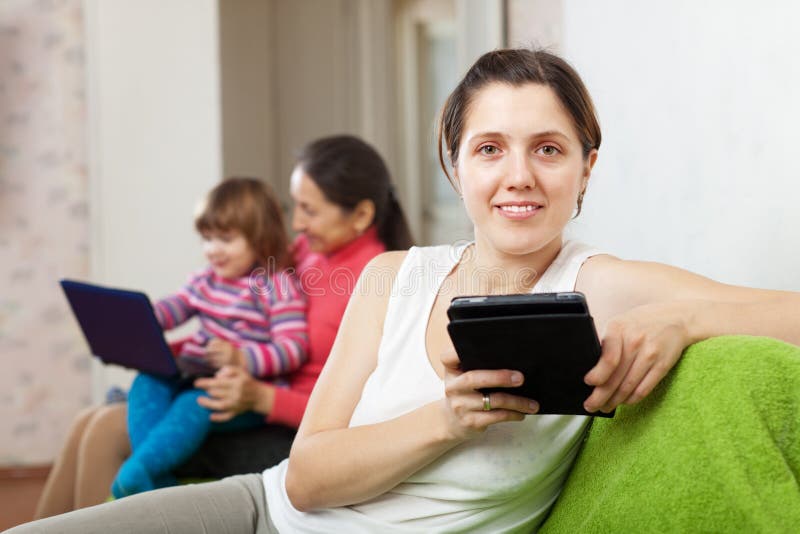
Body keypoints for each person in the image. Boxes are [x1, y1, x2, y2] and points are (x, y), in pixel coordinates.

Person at [17, 48, 800, 533]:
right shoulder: (394, 276)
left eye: (550, 149)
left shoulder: (602, 286)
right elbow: (306, 480)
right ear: (455, 167)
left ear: (586, 168)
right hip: (260, 511)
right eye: (489, 148)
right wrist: (445, 420)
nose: (519, 175)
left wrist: (684, 316)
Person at [32, 135, 413, 517]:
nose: (296, 223)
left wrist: (260, 397)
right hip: (241, 396)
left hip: (291, 434)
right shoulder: (307, 252)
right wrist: (175, 349)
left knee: (107, 432)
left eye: (309, 211)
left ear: (361, 215)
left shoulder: (377, 283)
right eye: (296, 206)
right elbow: (238, 312)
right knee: (90, 421)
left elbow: (359, 412)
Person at [110, 177, 309, 497]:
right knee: (146, 383)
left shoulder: (276, 285)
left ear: (260, 238)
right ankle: (152, 477)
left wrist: (242, 358)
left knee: (194, 404)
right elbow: (179, 305)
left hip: (238, 388)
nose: (213, 250)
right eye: (207, 239)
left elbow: (293, 348)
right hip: (196, 371)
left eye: (225, 239)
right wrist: (145, 318)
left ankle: (136, 473)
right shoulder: (207, 279)